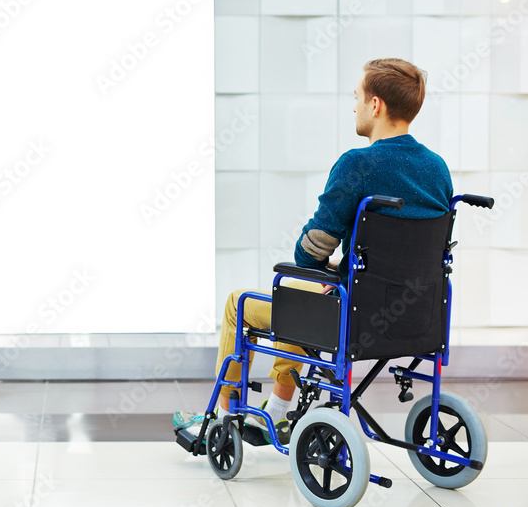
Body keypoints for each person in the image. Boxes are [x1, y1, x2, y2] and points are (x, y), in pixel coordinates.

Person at [174, 58, 453, 444]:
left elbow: (312, 249)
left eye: (357, 97)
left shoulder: (357, 164)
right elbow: (410, 253)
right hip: (418, 319)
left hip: (354, 319)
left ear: (376, 106)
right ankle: (273, 412)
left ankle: (223, 418)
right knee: (300, 295)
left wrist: (323, 264)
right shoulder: (438, 170)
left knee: (244, 302)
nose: (353, 105)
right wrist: (351, 269)